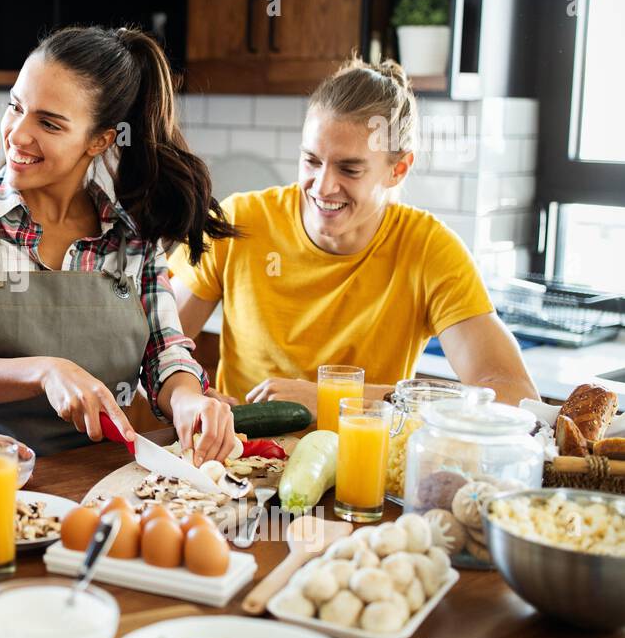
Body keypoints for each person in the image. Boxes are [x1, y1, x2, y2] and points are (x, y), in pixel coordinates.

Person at [0, 25, 237, 462]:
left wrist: (189, 400)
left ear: (100, 139)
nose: (17, 135)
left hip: (103, 484)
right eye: (15, 107)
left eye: (48, 123)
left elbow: (164, 353)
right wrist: (44, 371)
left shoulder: (130, 237)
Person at [169, 56, 538, 411]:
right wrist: (194, 397)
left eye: (349, 169)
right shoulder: (239, 221)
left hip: (369, 470)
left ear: (398, 170)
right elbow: (154, 351)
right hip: (240, 466)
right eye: (311, 161)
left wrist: (336, 397)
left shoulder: (429, 250)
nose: (323, 187)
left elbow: (514, 397)